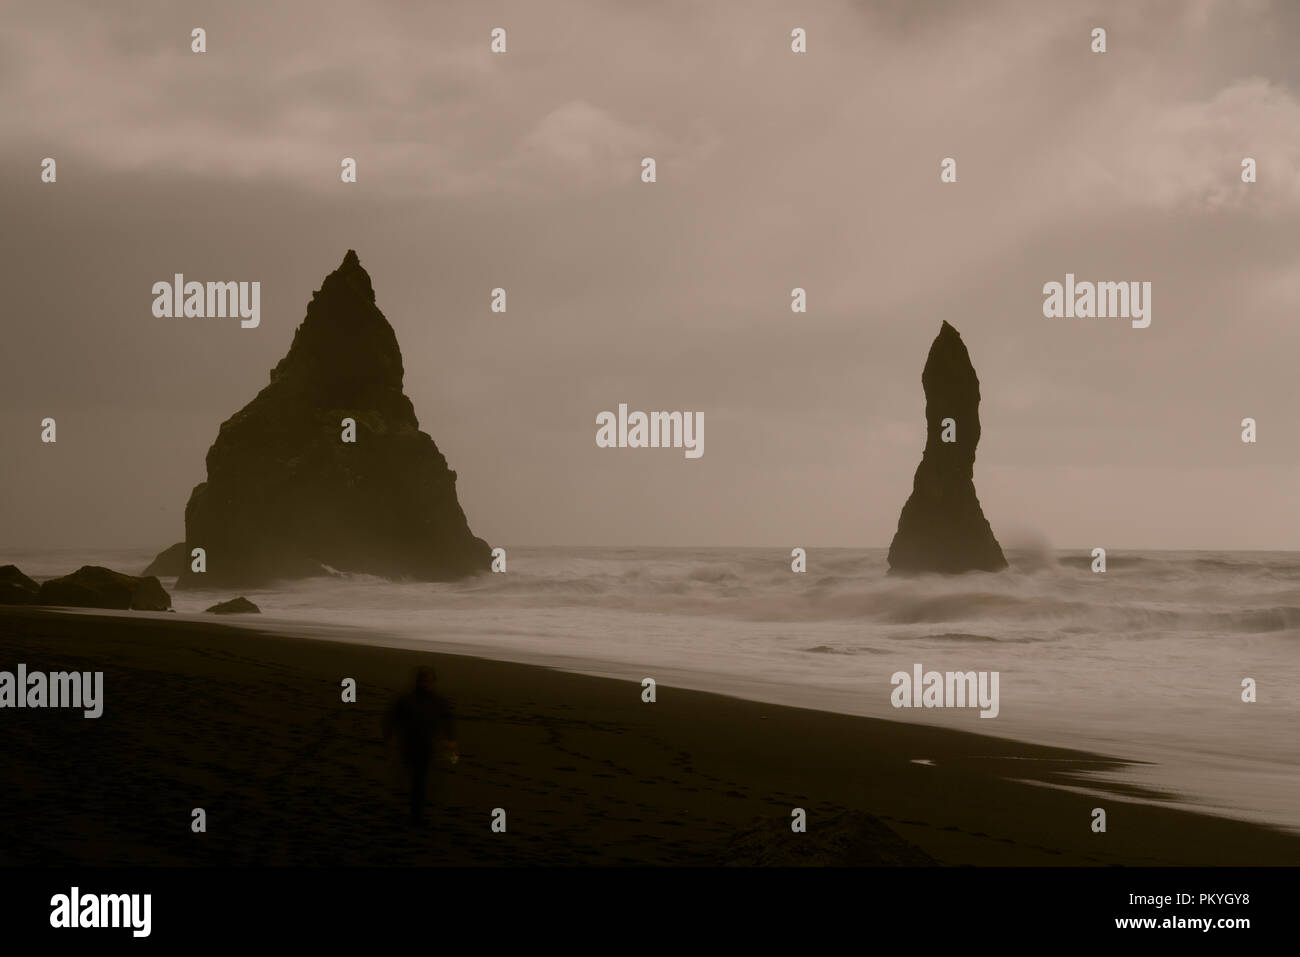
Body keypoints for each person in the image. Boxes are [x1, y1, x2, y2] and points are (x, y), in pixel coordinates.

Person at [383, 666, 458, 824]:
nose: (425, 683)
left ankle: (416, 812)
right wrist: (390, 739)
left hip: (426, 745)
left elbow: (448, 720)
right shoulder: (406, 699)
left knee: (419, 779)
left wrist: (450, 740)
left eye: (428, 680)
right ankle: (409, 807)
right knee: (408, 777)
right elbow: (393, 719)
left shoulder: (438, 701)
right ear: (418, 681)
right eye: (423, 680)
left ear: (433, 682)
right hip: (408, 743)